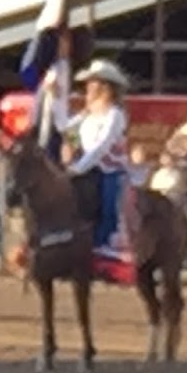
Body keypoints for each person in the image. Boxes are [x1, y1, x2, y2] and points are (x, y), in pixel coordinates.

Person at [49, 58, 133, 280]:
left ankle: (104, 245)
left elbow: (101, 147)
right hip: (88, 168)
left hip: (109, 171)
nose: (87, 87)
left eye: (92, 83)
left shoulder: (114, 115)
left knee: (108, 206)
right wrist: (54, 97)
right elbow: (62, 126)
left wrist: (77, 168)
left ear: (104, 87)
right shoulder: (87, 113)